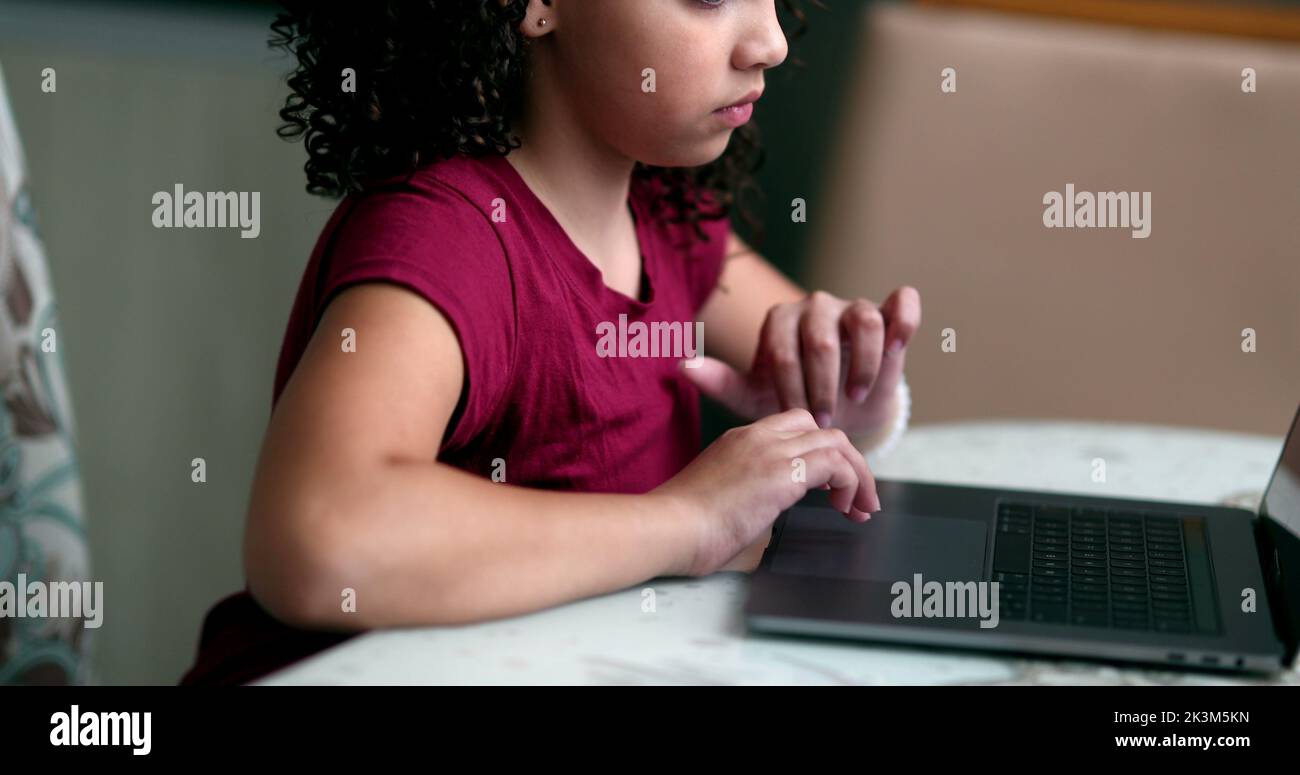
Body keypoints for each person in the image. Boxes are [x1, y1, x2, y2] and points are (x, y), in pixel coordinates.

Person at [182, 0, 918, 685]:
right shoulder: (447, 240)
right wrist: (689, 521)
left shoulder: (664, 210)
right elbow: (318, 541)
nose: (771, 42)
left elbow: (819, 359)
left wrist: (839, 400)